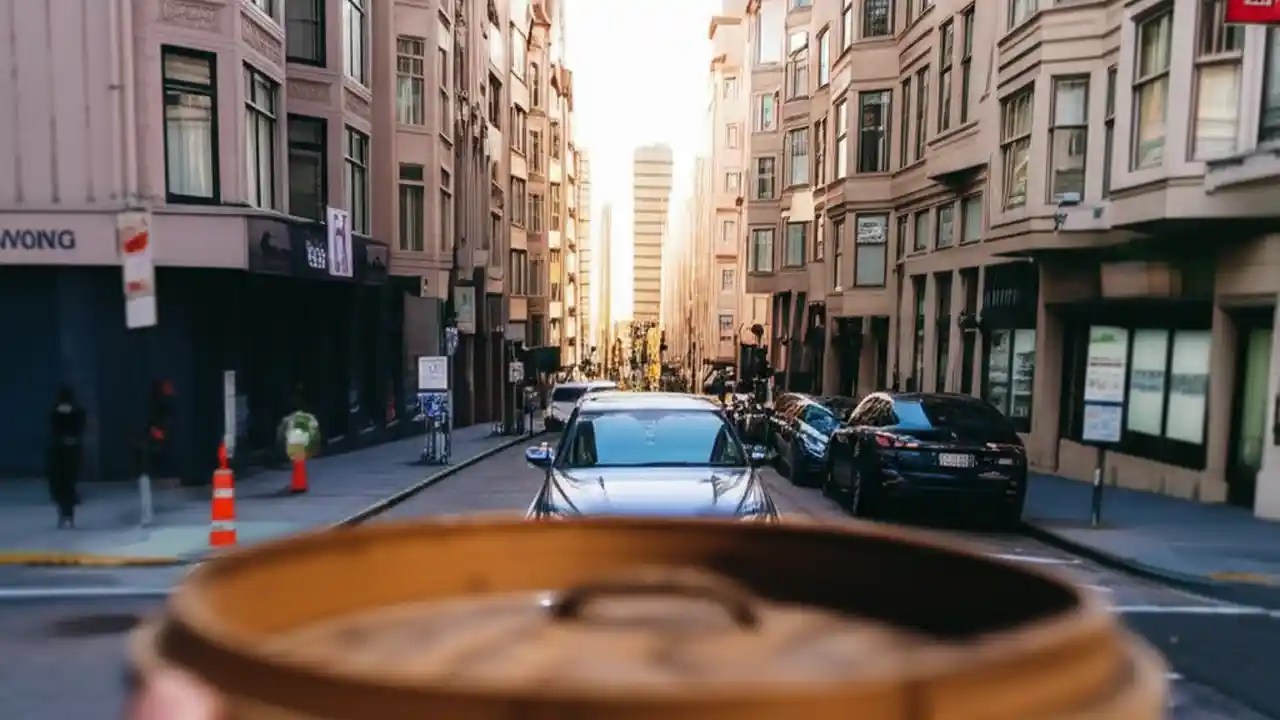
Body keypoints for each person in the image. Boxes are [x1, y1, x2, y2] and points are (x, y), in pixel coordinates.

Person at [47, 386, 86, 528]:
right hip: (71, 450)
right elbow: (81, 428)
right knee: (69, 482)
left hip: (59, 450)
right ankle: (68, 513)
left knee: (60, 482)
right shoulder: (78, 412)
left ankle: (64, 512)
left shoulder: (54, 412)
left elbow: (53, 429)